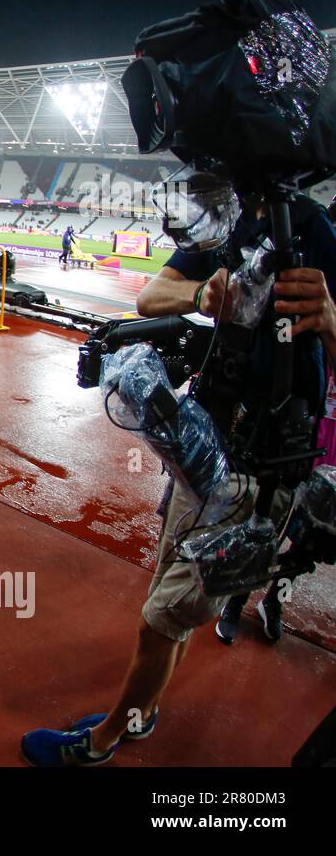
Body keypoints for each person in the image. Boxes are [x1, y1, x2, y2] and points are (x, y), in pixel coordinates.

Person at [21, 192, 336, 766]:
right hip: (203, 459)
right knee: (171, 603)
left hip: (258, 475)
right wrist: (201, 293)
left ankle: (105, 738)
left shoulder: (315, 232)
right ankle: (144, 709)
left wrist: (332, 318)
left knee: (161, 618)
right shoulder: (232, 223)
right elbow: (149, 295)